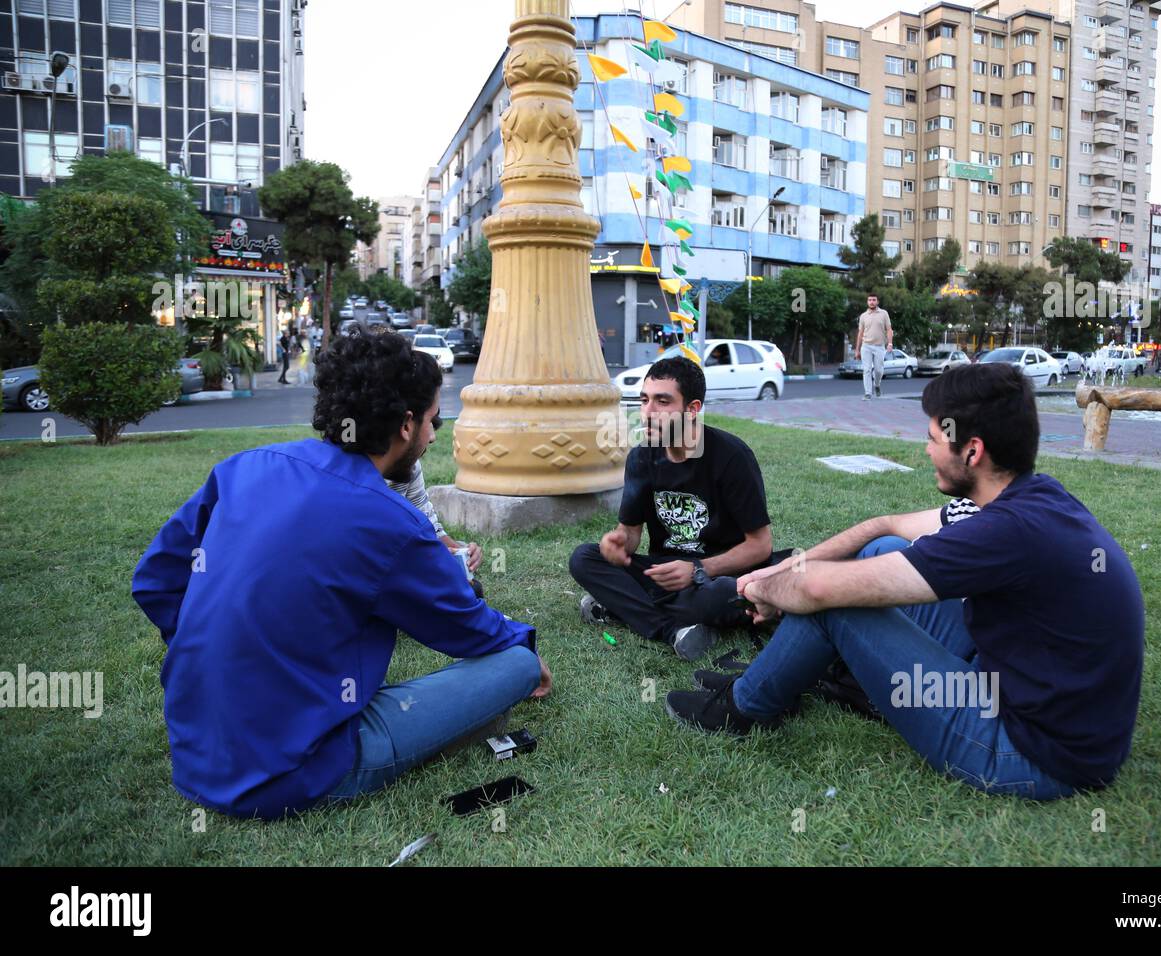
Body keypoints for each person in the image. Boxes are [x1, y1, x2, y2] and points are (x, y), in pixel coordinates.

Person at [665, 363, 1145, 801]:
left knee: (835, 598)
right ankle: (792, 677)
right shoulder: (1026, 499)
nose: (926, 448)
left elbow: (817, 590)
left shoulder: (1005, 530)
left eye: (934, 438)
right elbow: (884, 527)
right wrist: (771, 572)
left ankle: (743, 707)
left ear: (972, 451)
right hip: (1014, 685)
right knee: (880, 553)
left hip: (1034, 753)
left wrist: (759, 592)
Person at [132, 331, 552, 819]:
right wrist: (526, 646)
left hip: (193, 750)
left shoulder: (245, 467)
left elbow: (155, 582)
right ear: (406, 424)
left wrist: (213, 654)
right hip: (301, 771)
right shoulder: (389, 519)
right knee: (515, 665)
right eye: (433, 420)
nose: (435, 436)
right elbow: (469, 629)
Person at [569, 356, 785, 661]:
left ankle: (624, 605)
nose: (647, 413)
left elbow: (761, 545)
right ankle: (673, 631)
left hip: (715, 577)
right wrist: (617, 543)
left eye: (662, 401)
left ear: (693, 409)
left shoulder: (731, 456)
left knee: (724, 596)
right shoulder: (642, 458)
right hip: (664, 573)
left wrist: (698, 569)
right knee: (583, 558)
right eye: (644, 400)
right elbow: (630, 534)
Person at [387, 457, 485, 597]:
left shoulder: (411, 462)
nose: (432, 438)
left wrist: (462, 552)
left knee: (471, 589)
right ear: (405, 433)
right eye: (431, 433)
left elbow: (427, 522)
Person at [854, 293, 892, 400]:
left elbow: (889, 329)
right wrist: (857, 350)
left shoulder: (884, 314)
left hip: (880, 346)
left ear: (877, 302)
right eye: (870, 300)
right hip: (866, 346)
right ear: (867, 302)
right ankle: (868, 393)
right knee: (866, 370)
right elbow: (860, 333)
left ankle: (877, 385)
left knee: (879, 370)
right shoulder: (863, 316)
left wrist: (890, 343)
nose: (872, 302)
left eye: (874, 300)